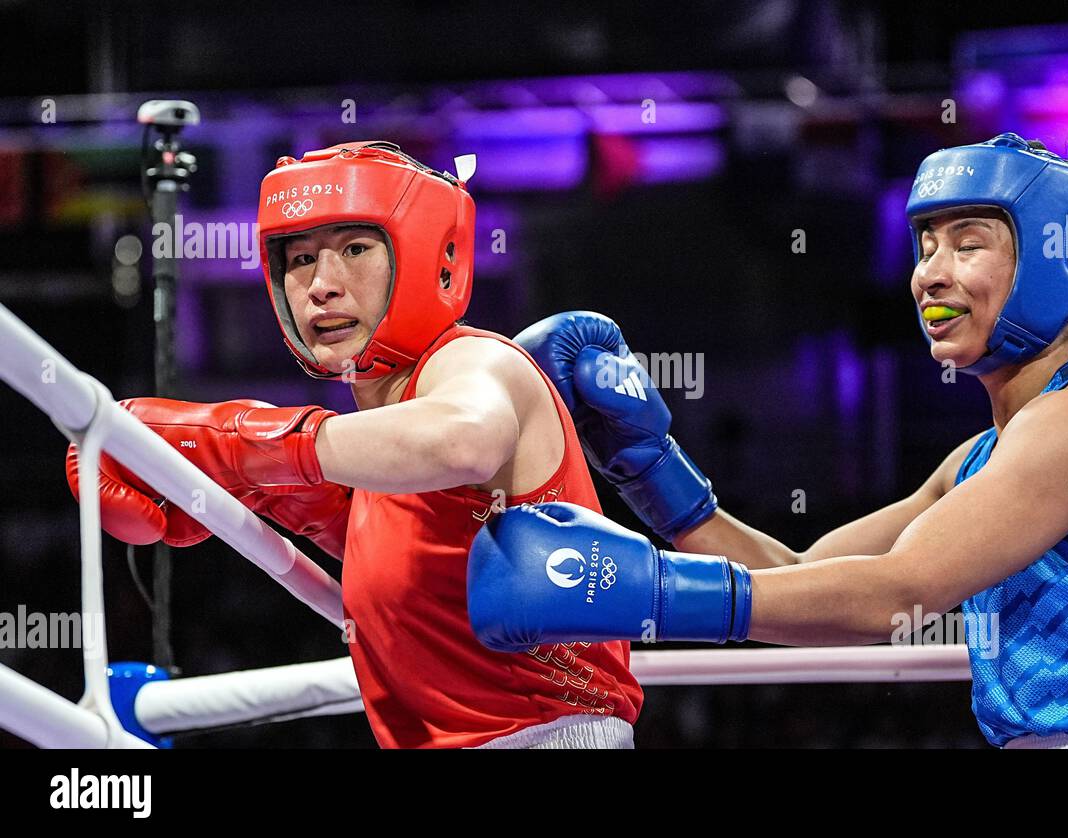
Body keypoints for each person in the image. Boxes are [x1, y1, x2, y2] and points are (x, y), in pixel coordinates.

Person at [470, 132, 1068, 749]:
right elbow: (798, 576)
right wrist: (648, 467)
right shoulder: (978, 461)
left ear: (1064, 257)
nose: (930, 274)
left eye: (967, 244)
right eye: (926, 244)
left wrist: (643, 594)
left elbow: (896, 596)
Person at [67, 140, 643, 748]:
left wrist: (246, 445)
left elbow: (463, 439)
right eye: (299, 259)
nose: (321, 286)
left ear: (430, 255)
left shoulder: (472, 360)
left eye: (355, 249)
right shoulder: (380, 451)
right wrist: (303, 505)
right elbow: (441, 585)